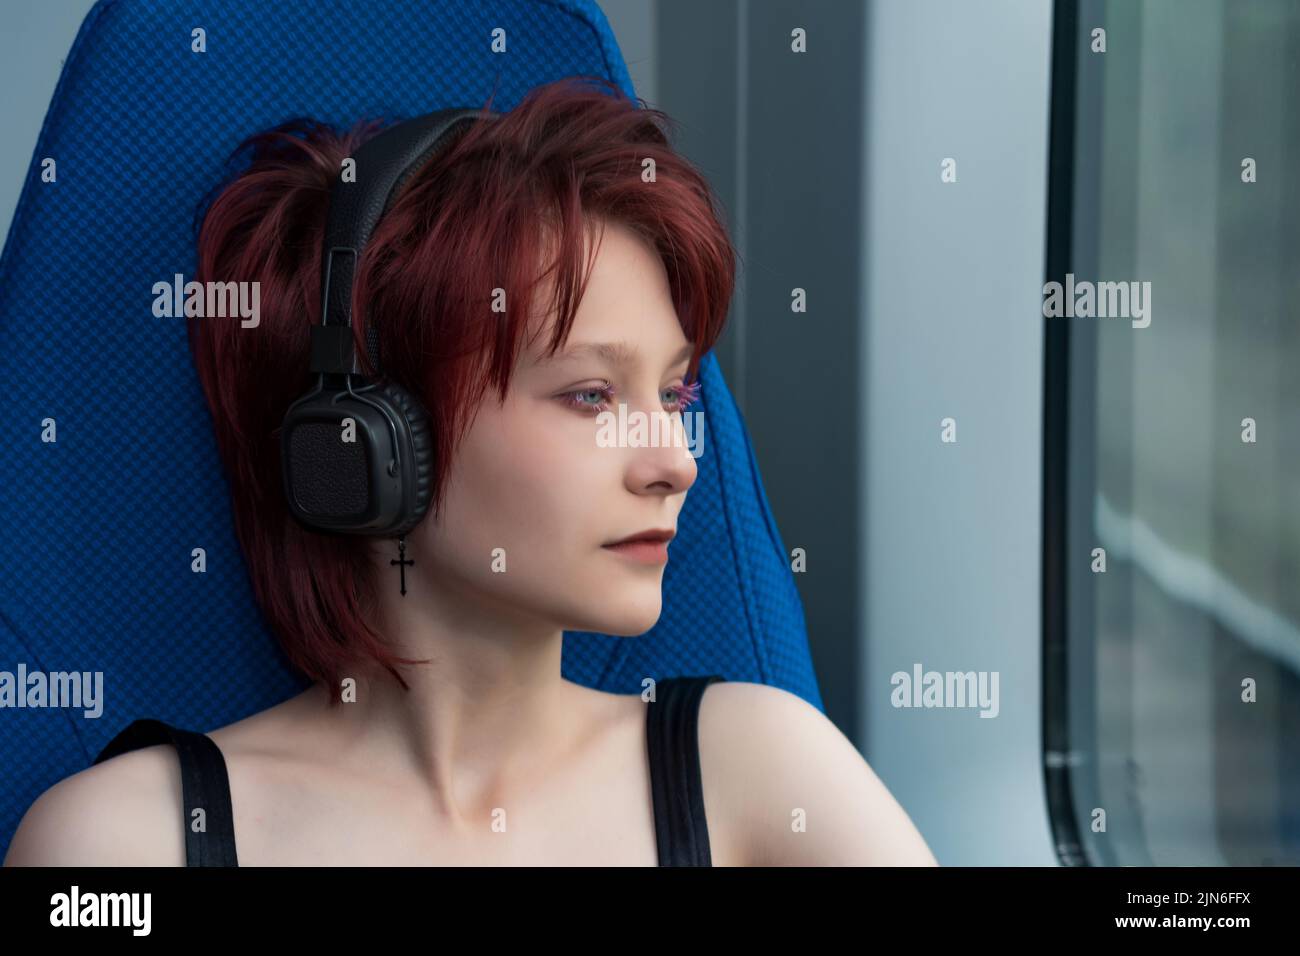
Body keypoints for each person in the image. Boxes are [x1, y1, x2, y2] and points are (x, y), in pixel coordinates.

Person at [4, 77, 936, 867]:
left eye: (674, 393)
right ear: (364, 440)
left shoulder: (757, 769)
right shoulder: (127, 844)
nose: (675, 462)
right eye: (590, 396)